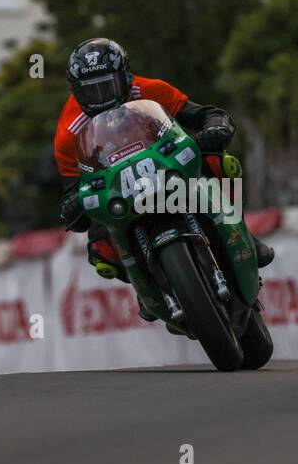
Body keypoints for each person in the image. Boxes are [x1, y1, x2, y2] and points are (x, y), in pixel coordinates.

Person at [55, 37, 274, 287]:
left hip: (168, 167)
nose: (101, 97)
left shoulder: (151, 89)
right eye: (90, 90)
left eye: (107, 85)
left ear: (126, 76)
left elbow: (205, 114)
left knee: (217, 161)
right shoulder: (67, 132)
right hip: (117, 190)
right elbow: (73, 188)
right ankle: (146, 288)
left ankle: (240, 234)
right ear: (75, 91)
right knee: (100, 250)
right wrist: (72, 206)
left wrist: (216, 128)